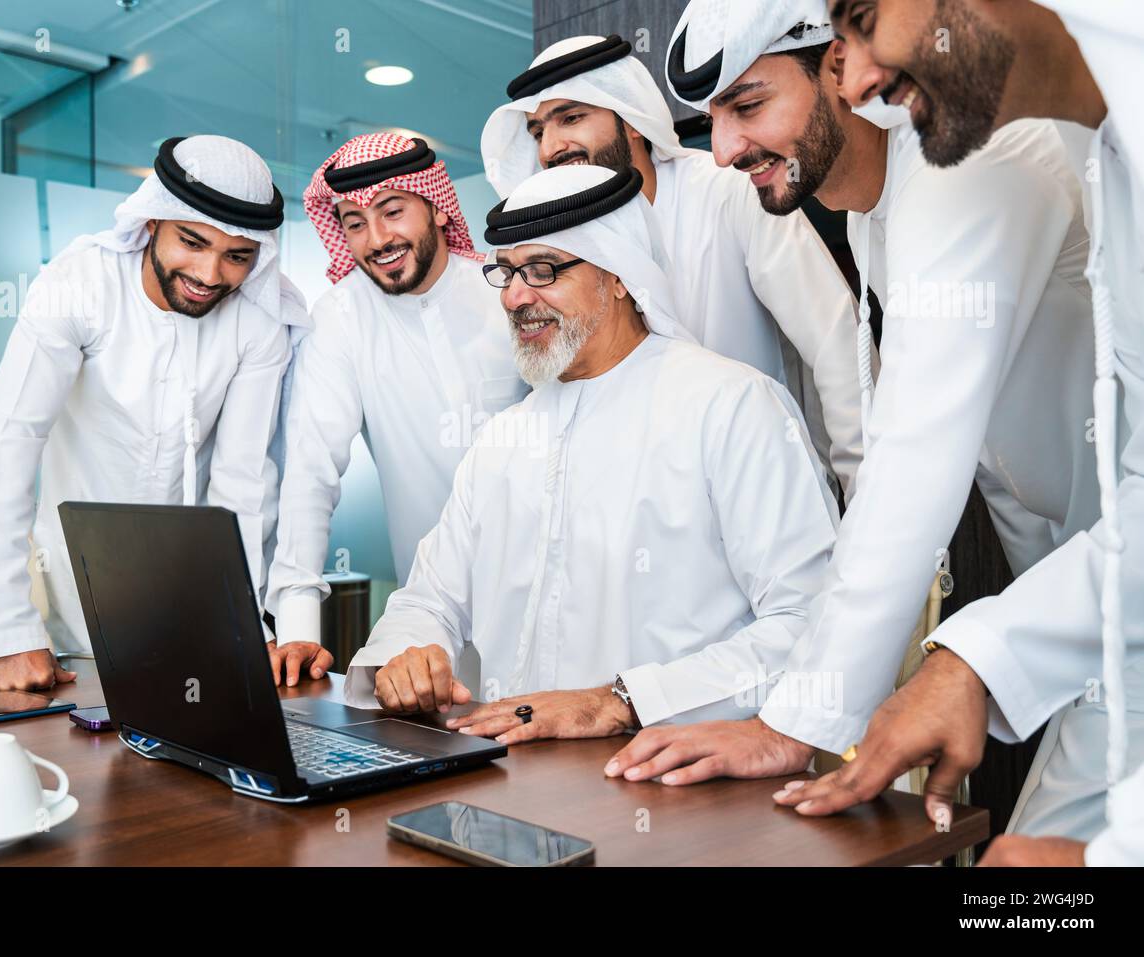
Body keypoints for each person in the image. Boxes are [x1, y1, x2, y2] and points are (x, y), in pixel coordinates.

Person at [607, 0, 1109, 840]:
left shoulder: (965, 162)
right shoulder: (876, 207)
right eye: (712, 120)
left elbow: (916, 455)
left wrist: (795, 722)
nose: (724, 152)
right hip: (1083, 618)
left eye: (748, 104)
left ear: (841, 68)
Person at [770, 0, 1144, 862]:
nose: (858, 80)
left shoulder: (980, 163)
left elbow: (912, 460)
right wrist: (976, 658)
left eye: (865, 20)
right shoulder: (1103, 146)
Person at [341, 163, 839, 746]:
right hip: (513, 784)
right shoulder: (503, 440)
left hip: (685, 790)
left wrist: (621, 700)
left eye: (543, 271)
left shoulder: (731, 406)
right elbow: (431, 600)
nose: (517, 298)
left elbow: (809, 619)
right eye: (506, 275)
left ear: (620, 274)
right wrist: (408, 656)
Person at [0, 135, 310, 693]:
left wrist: (238, 620)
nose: (209, 273)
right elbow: (6, 443)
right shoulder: (79, 287)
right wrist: (9, 631)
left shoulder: (260, 319)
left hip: (193, 612)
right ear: (153, 222)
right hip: (69, 602)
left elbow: (242, 484)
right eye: (193, 242)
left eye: (237, 255)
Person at [483, 34, 864, 495]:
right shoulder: (545, 254)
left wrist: (865, 493)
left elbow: (833, 342)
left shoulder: (728, 191)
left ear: (632, 120)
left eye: (571, 118)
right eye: (538, 131)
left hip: (762, 485)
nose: (551, 148)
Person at [263, 133, 528, 684]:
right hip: (431, 617)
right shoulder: (342, 317)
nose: (376, 238)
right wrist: (296, 624)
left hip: (548, 593)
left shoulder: (507, 294)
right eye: (354, 223)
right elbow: (311, 470)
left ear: (434, 205)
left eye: (392, 211)